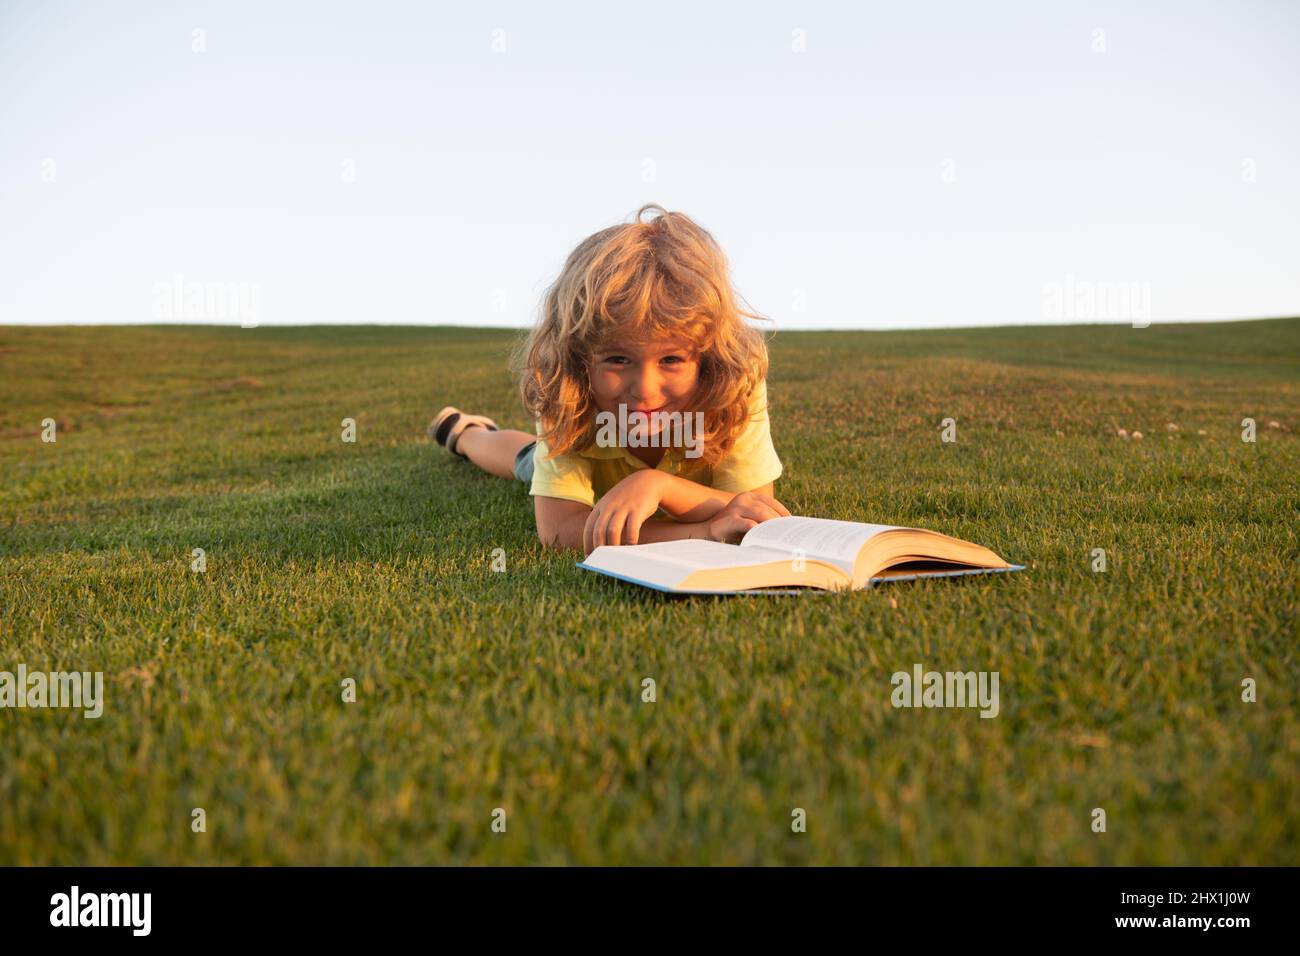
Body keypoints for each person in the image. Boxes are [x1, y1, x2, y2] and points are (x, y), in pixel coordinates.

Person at [430, 204, 791, 556]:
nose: (645, 390)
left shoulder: (732, 387)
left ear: (708, 358)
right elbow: (559, 531)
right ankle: (467, 434)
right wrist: (704, 532)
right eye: (618, 359)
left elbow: (753, 508)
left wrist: (659, 487)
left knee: (531, 459)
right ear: (579, 358)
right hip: (594, 472)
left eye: (671, 359)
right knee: (526, 461)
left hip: (668, 486)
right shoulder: (568, 392)